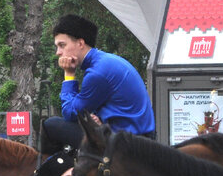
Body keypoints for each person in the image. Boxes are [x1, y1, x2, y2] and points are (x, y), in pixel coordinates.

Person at [40, 14, 155, 153]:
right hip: (138, 136)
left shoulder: (97, 73)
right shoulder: (105, 61)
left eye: (62, 45)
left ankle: (55, 173)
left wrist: (69, 74)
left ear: (80, 43)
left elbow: (70, 113)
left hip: (125, 143)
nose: (58, 52)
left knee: (50, 125)